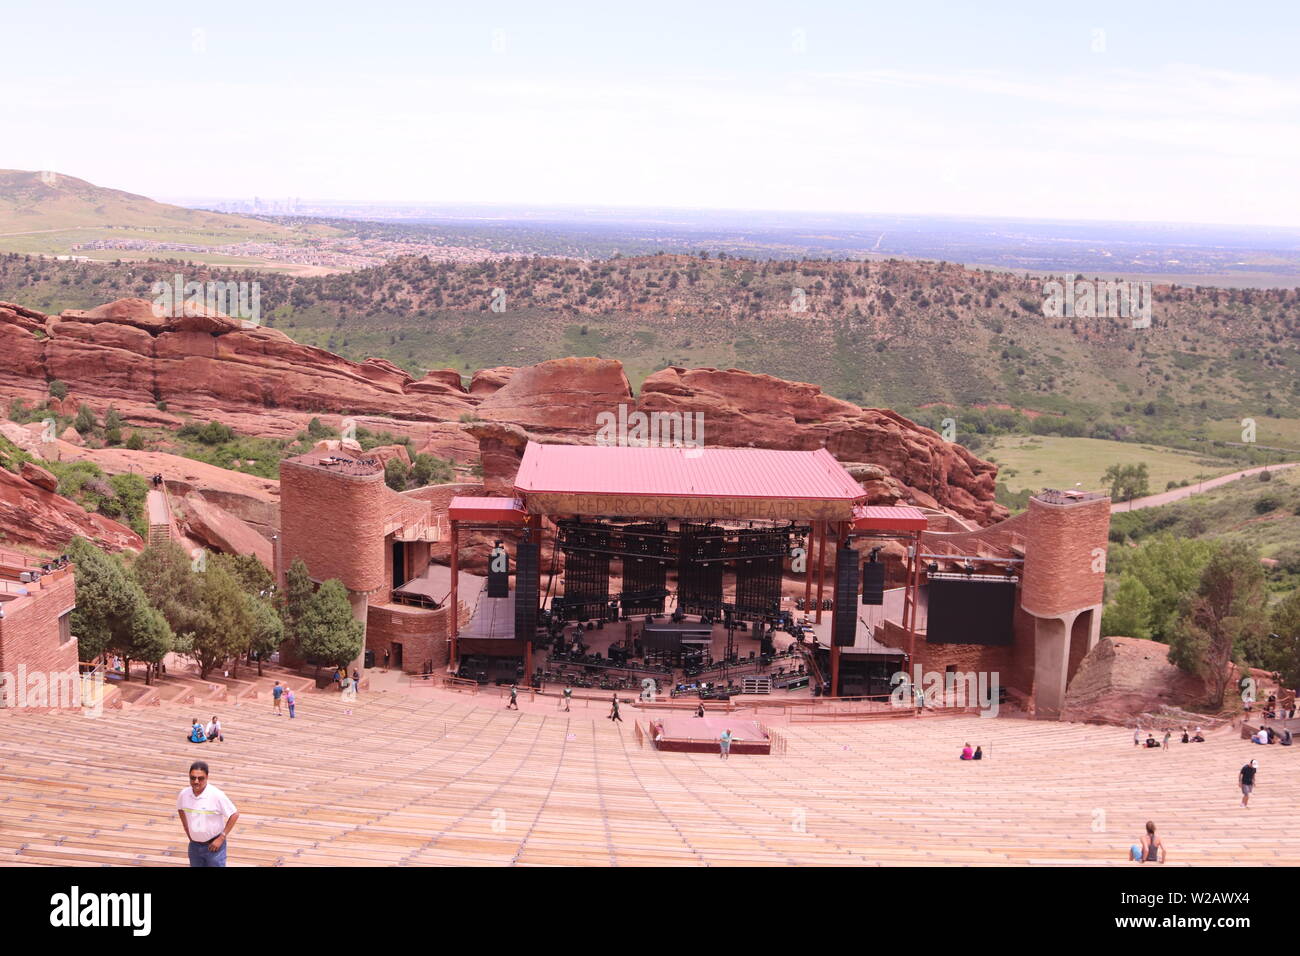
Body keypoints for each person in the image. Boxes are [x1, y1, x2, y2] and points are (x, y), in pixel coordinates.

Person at [177, 761, 239, 867]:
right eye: (192, 778)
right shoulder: (184, 794)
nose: (196, 781)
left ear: (207, 777)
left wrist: (221, 837)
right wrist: (187, 829)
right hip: (194, 846)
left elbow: (234, 814)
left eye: (200, 778)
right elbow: (180, 809)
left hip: (214, 846)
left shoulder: (216, 795)